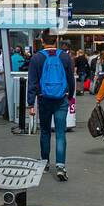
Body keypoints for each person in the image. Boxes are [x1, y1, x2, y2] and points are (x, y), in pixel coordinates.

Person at [26, 29, 75, 180]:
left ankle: (44, 163)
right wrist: (70, 95)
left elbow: (32, 82)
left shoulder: (37, 58)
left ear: (42, 41)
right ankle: (60, 166)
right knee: (60, 133)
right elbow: (71, 79)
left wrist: (31, 103)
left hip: (44, 99)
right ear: (56, 40)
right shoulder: (65, 57)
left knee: (45, 131)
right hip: (61, 99)